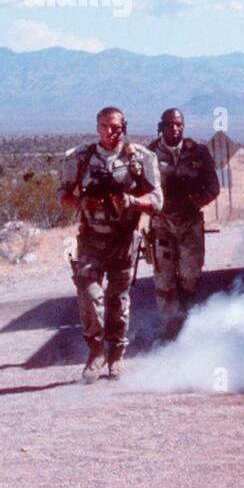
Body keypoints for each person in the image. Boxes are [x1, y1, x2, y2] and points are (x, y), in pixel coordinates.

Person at [58, 107, 163, 381]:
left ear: (124, 127)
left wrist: (132, 202)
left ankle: (116, 355)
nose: (110, 131)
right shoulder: (80, 158)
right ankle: (95, 352)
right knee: (90, 296)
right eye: (104, 126)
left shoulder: (140, 158)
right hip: (91, 238)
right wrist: (83, 202)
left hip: (124, 239)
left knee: (118, 299)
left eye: (115, 126)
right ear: (97, 127)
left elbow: (157, 200)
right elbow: (62, 194)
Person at [146, 109, 221, 337]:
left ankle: (188, 324)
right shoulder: (149, 154)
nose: (175, 128)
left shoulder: (197, 152)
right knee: (164, 280)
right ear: (162, 126)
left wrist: (194, 200)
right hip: (162, 223)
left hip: (190, 223)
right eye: (170, 124)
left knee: (190, 277)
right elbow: (139, 187)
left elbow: (213, 187)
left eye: (179, 124)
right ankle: (171, 331)